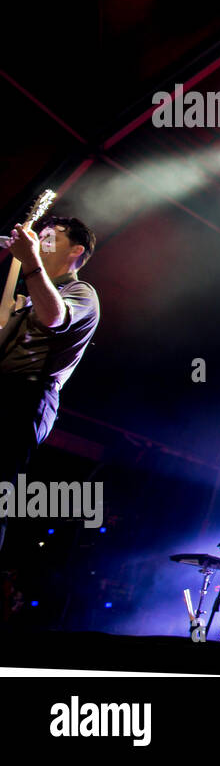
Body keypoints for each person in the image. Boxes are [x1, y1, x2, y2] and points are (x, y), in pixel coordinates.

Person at [0, 217, 98, 553]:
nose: (40, 241)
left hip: (24, 397)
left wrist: (28, 261)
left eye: (49, 237)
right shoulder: (28, 297)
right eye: (37, 236)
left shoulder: (81, 292)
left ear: (76, 250)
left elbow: (55, 318)